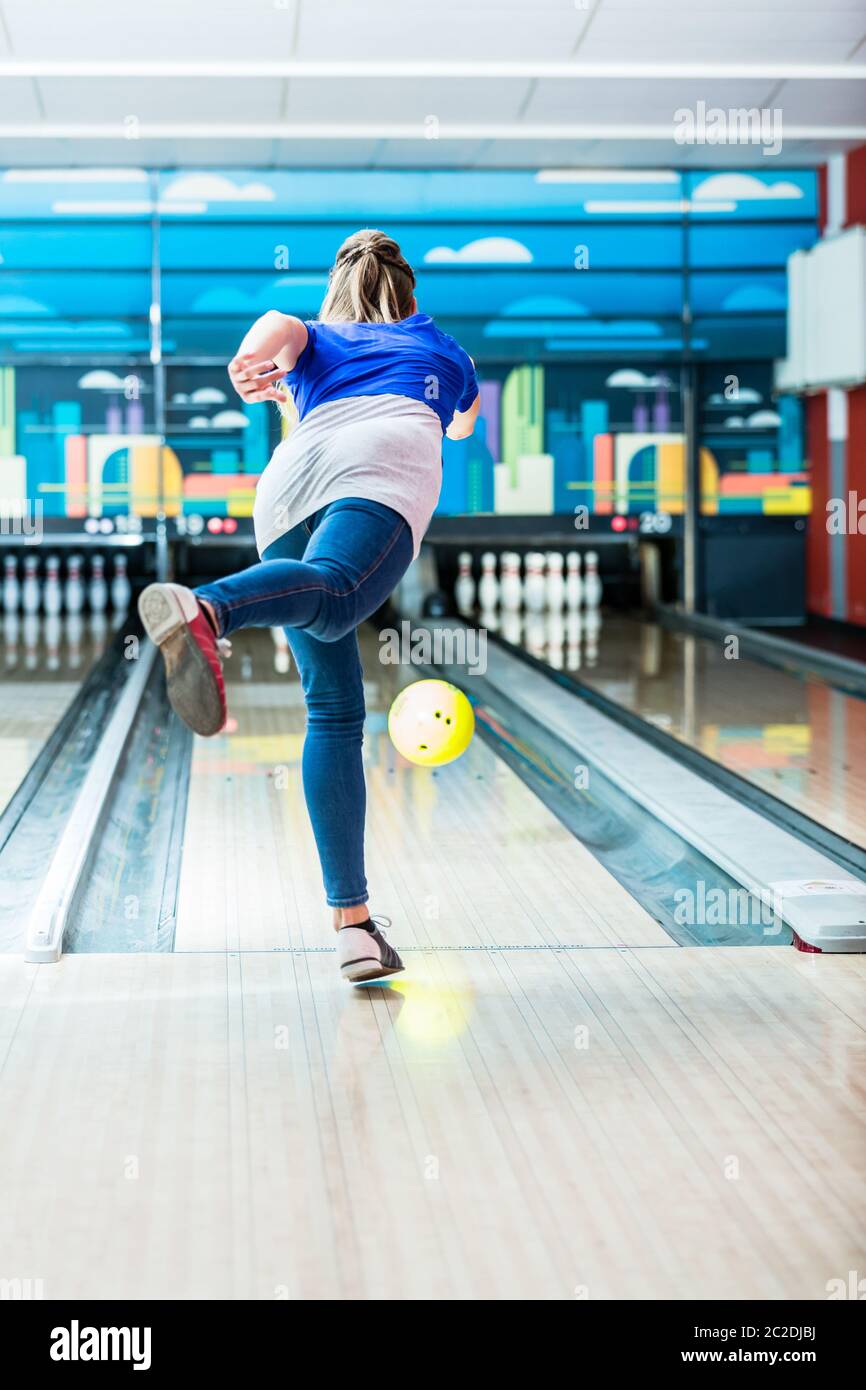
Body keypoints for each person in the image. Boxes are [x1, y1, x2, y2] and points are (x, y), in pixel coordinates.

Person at [139, 229, 480, 983]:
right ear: (409, 294)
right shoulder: (442, 349)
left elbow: (280, 329)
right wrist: (450, 405)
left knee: (334, 709)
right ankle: (208, 610)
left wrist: (251, 362)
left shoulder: (317, 337)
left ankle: (355, 929)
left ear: (337, 292)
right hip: (378, 472)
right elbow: (461, 423)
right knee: (330, 600)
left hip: (288, 487)